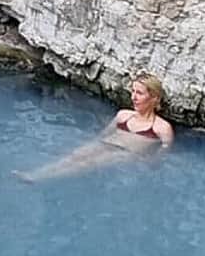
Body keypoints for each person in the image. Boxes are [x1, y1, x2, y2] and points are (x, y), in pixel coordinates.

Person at [14, 73, 174, 181]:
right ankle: (35, 174)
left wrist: (143, 162)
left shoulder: (162, 128)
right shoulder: (123, 115)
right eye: (132, 91)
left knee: (88, 163)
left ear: (154, 98)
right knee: (75, 155)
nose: (133, 97)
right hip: (106, 144)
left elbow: (160, 156)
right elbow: (102, 136)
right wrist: (92, 146)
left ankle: (37, 179)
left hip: (125, 154)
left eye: (139, 93)